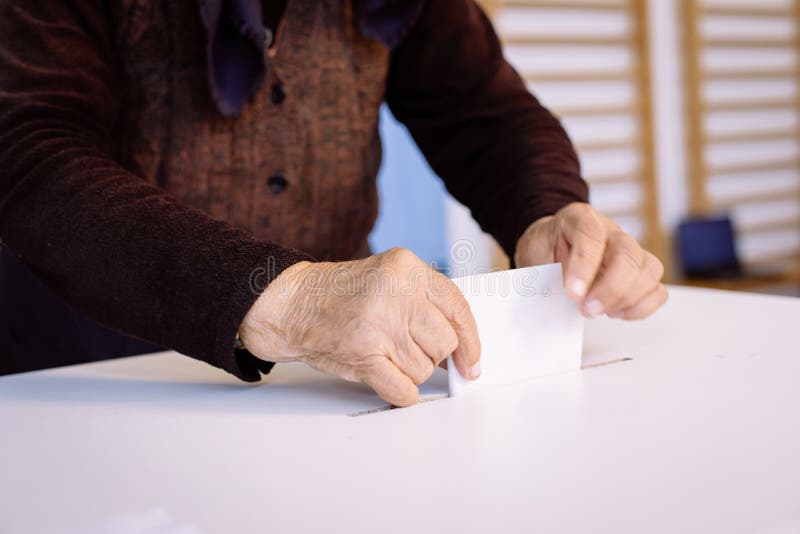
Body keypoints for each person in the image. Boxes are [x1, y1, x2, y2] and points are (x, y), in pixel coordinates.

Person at [0, 0, 667, 406]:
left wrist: (546, 211)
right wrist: (289, 300)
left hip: (332, 377)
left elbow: (485, 111)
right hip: (88, 372)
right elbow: (25, 145)